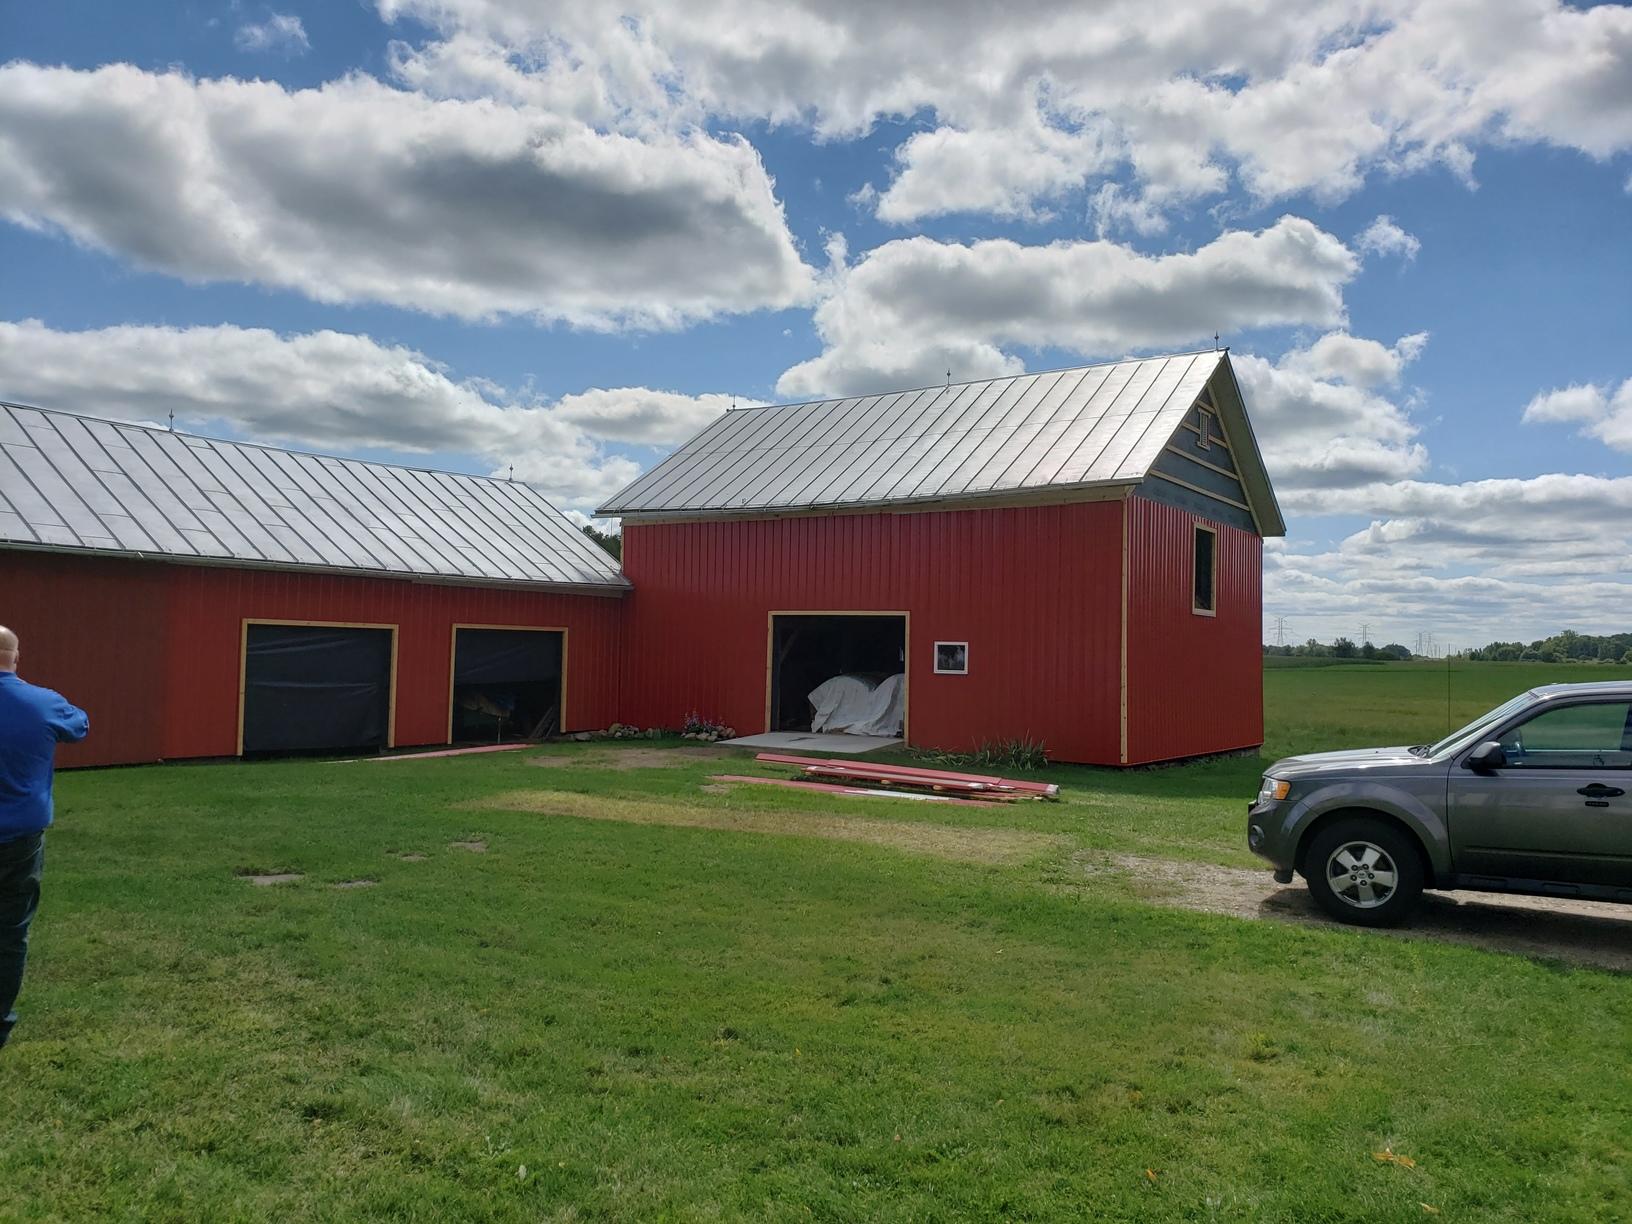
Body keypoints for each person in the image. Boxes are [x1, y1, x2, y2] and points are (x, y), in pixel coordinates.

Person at [0, 625, 88, 1051]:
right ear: (15, 657)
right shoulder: (43, 703)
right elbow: (79, 726)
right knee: (10, 931)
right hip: (19, 837)